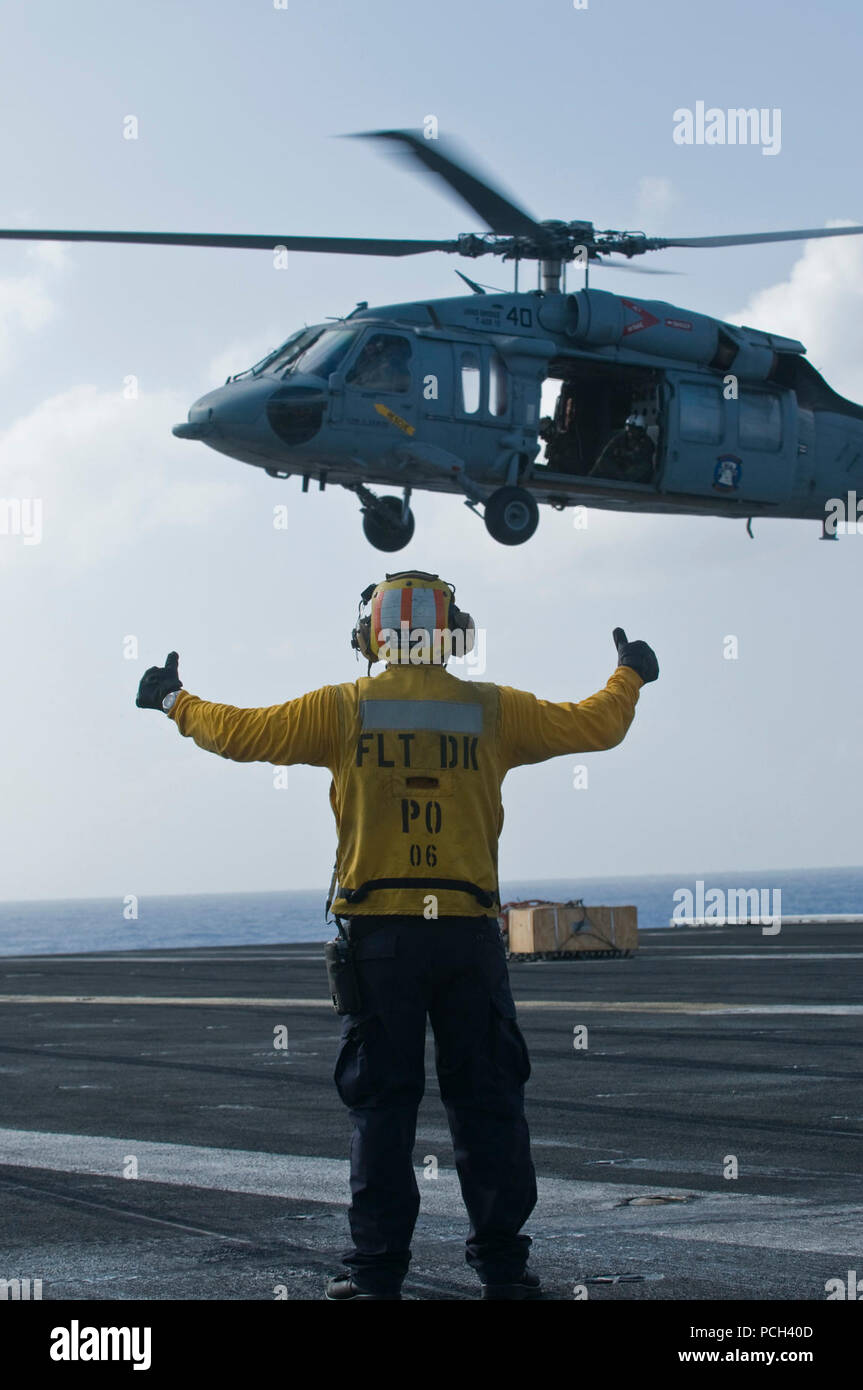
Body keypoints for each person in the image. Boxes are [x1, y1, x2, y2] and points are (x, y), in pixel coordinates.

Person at [135, 571, 659, 1301]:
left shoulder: (342, 708)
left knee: (381, 1109)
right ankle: (504, 1275)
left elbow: (238, 733)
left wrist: (172, 700)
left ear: (368, 635)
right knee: (488, 1105)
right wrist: (629, 672)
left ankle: (378, 1276)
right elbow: (596, 723)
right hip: (469, 938)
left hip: (379, 940)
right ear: (455, 632)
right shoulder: (491, 709)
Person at [589, 413, 655, 483]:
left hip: (634, 472)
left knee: (644, 468)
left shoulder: (647, 443)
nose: (631, 433)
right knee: (602, 462)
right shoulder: (620, 438)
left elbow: (643, 460)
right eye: (629, 428)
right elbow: (605, 456)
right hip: (619, 469)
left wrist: (625, 455)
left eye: (635, 430)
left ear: (642, 431)